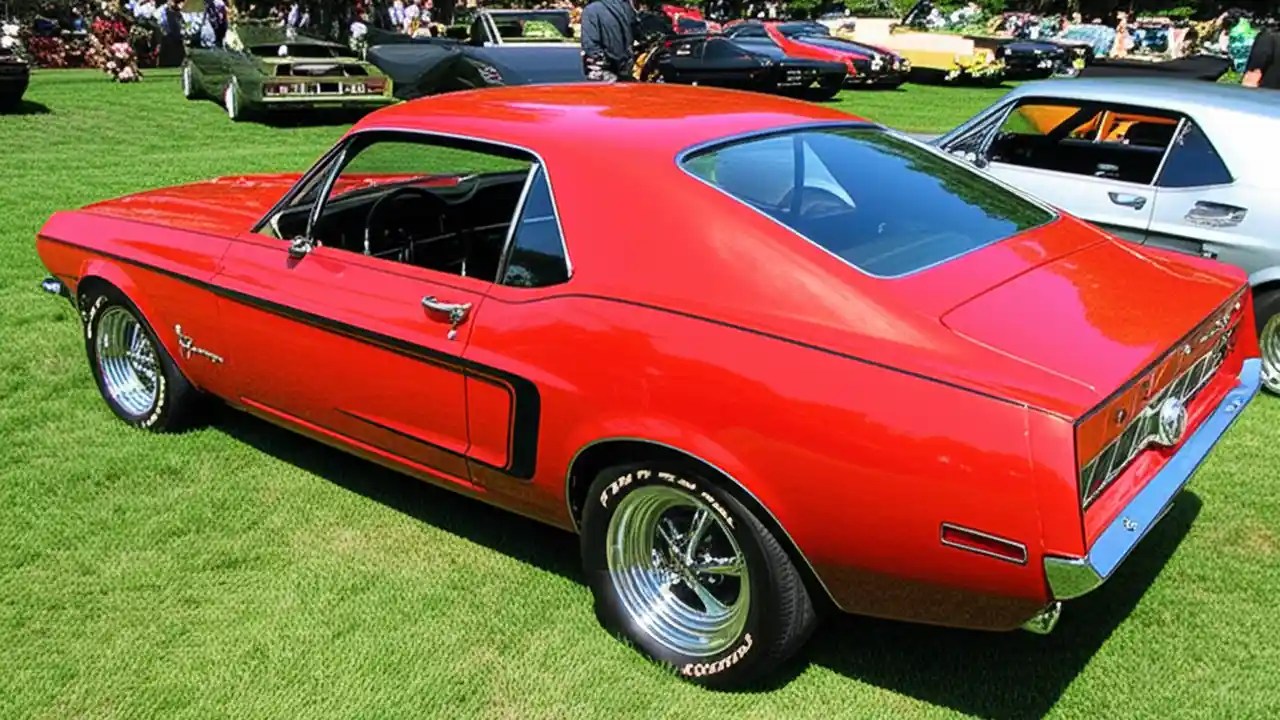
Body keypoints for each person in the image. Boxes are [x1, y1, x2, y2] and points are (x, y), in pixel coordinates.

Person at [580, 0, 635, 82]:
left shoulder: (591, 10)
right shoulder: (626, 8)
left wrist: (598, 60)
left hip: (603, 70)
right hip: (624, 68)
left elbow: (589, 43)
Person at [157, 0, 185, 67]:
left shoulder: (180, 12)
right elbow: (158, 19)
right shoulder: (163, 10)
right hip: (168, 38)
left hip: (178, 39)